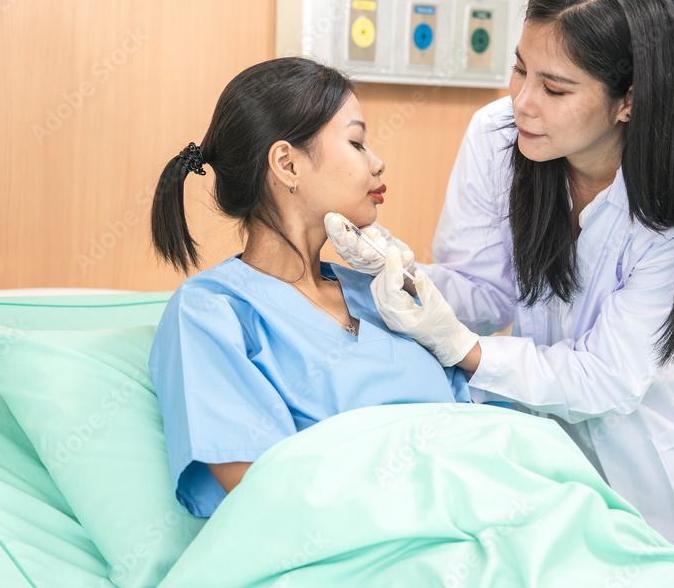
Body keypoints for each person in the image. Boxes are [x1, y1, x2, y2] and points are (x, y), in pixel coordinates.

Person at [325, 0, 674, 585]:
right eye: (519, 68)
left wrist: (465, 350)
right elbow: (485, 291)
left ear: (629, 99)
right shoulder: (497, 137)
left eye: (555, 88)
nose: (523, 101)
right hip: (562, 442)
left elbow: (606, 377)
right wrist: (398, 273)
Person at [147, 57, 472, 518]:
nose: (378, 163)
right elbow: (265, 499)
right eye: (357, 142)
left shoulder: (385, 294)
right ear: (287, 163)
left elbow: (478, 427)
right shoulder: (209, 312)